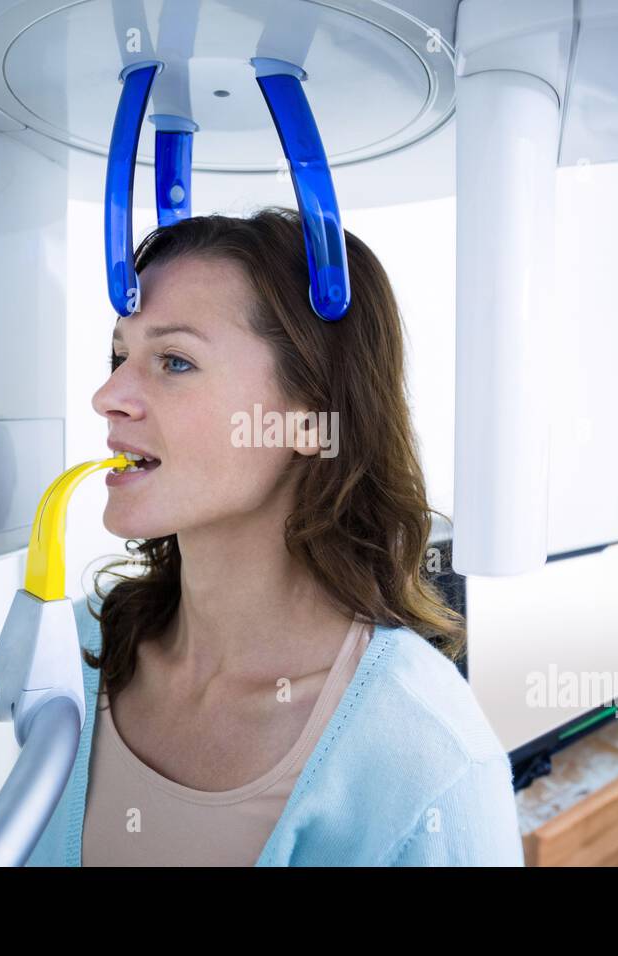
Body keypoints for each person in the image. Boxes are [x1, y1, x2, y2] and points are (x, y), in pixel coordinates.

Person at [27, 206, 525, 866]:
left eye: (173, 361)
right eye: (121, 354)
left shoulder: (432, 758)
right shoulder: (69, 655)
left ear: (310, 419)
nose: (108, 394)